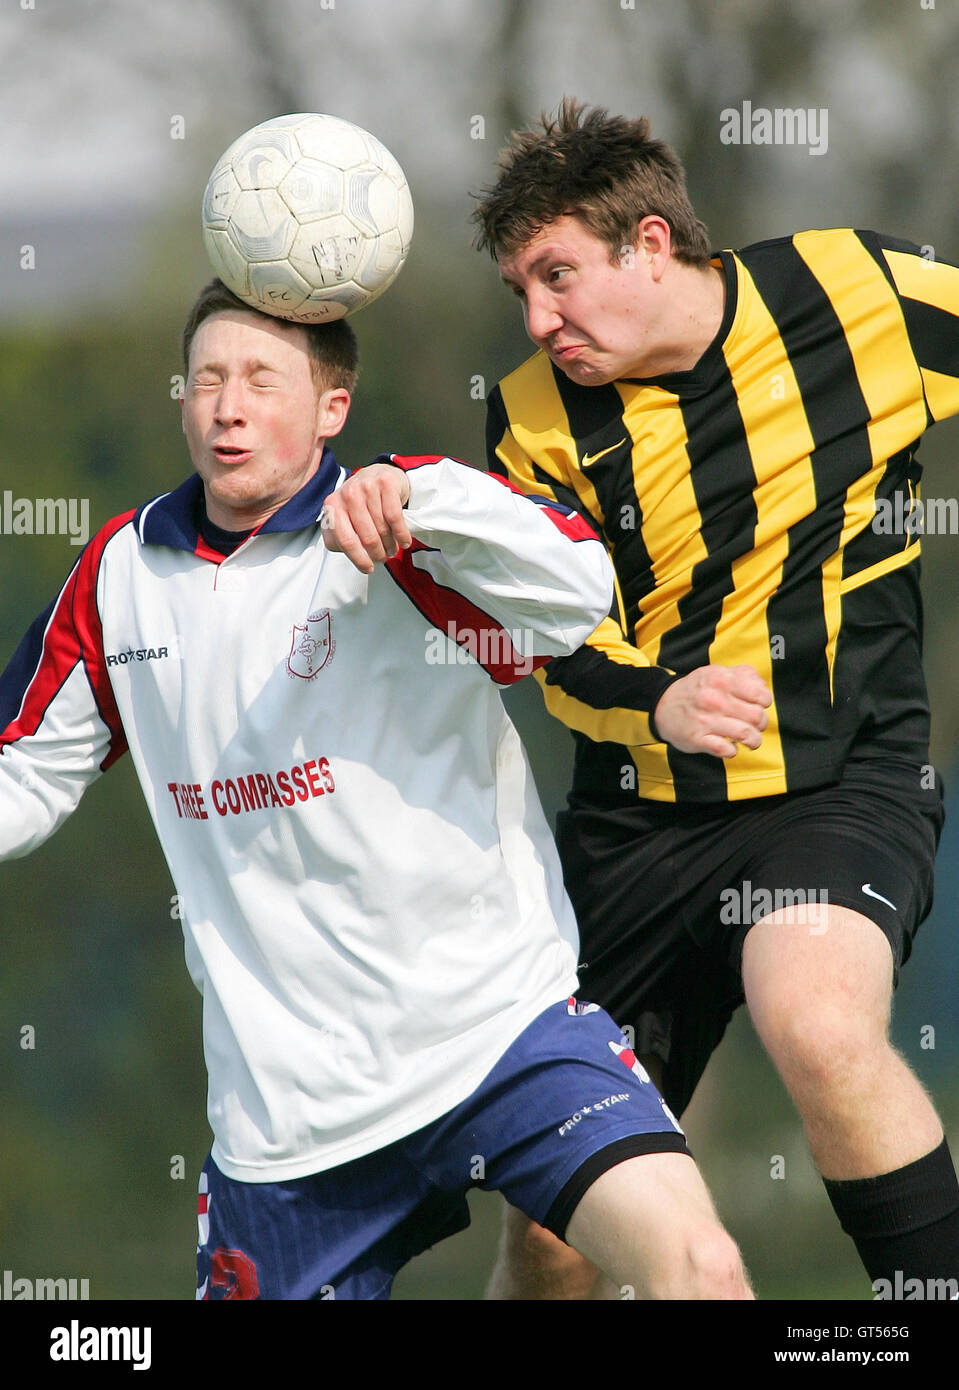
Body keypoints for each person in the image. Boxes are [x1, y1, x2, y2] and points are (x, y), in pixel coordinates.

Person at [0, 277, 752, 1300]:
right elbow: (23, 772)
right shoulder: (118, 576)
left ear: (331, 410)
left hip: (500, 1032)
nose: (227, 406)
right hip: (288, 1123)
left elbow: (578, 587)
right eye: (208, 379)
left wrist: (425, 502)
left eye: (262, 380)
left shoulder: (403, 529)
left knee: (697, 1265)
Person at [473, 98, 959, 1300]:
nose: (539, 322)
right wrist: (659, 698)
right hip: (636, 820)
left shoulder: (859, 295)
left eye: (557, 277)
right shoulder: (533, 420)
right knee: (553, 1223)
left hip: (837, 781)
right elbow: (542, 637)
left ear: (650, 243)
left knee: (814, 1017)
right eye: (518, 293)